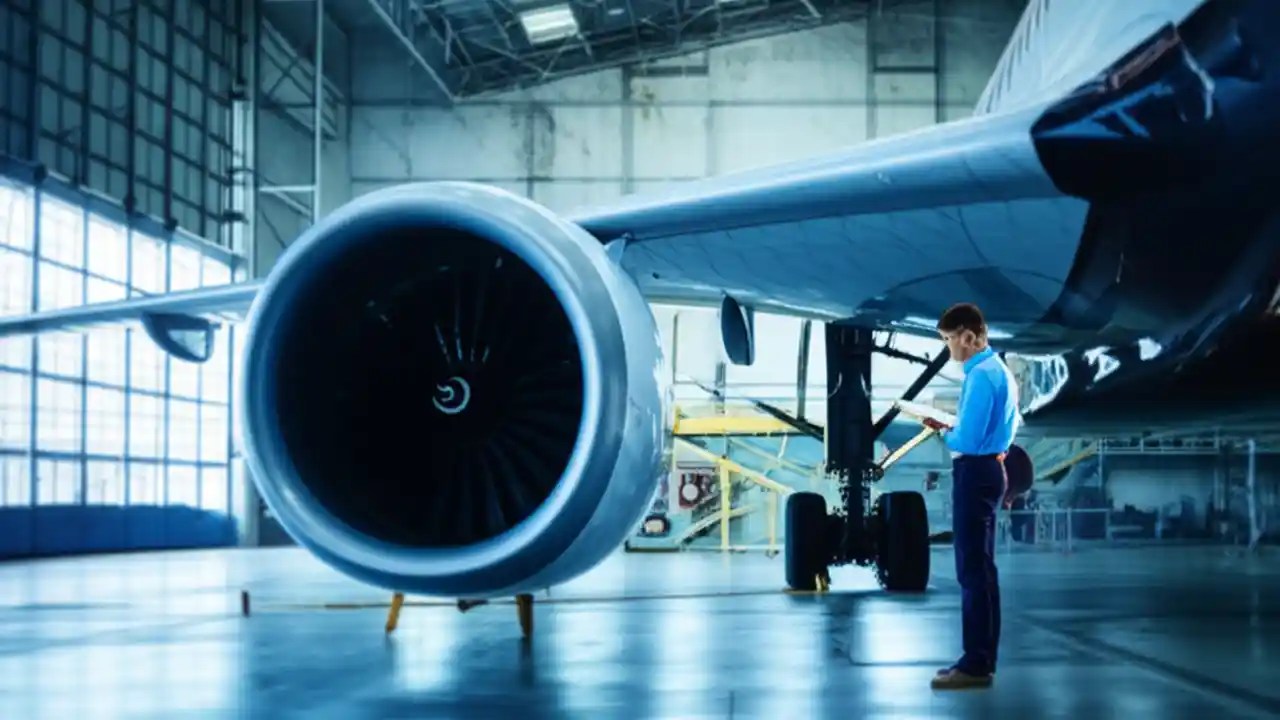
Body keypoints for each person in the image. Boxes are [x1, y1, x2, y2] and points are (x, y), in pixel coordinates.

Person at [929, 302, 1021, 690]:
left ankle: (975, 664)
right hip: (991, 467)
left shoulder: (981, 375)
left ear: (968, 336)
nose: (949, 348)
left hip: (975, 471)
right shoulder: (998, 370)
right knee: (983, 570)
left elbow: (967, 438)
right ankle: (980, 658)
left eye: (950, 339)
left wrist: (942, 431)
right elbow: (1004, 425)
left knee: (972, 571)